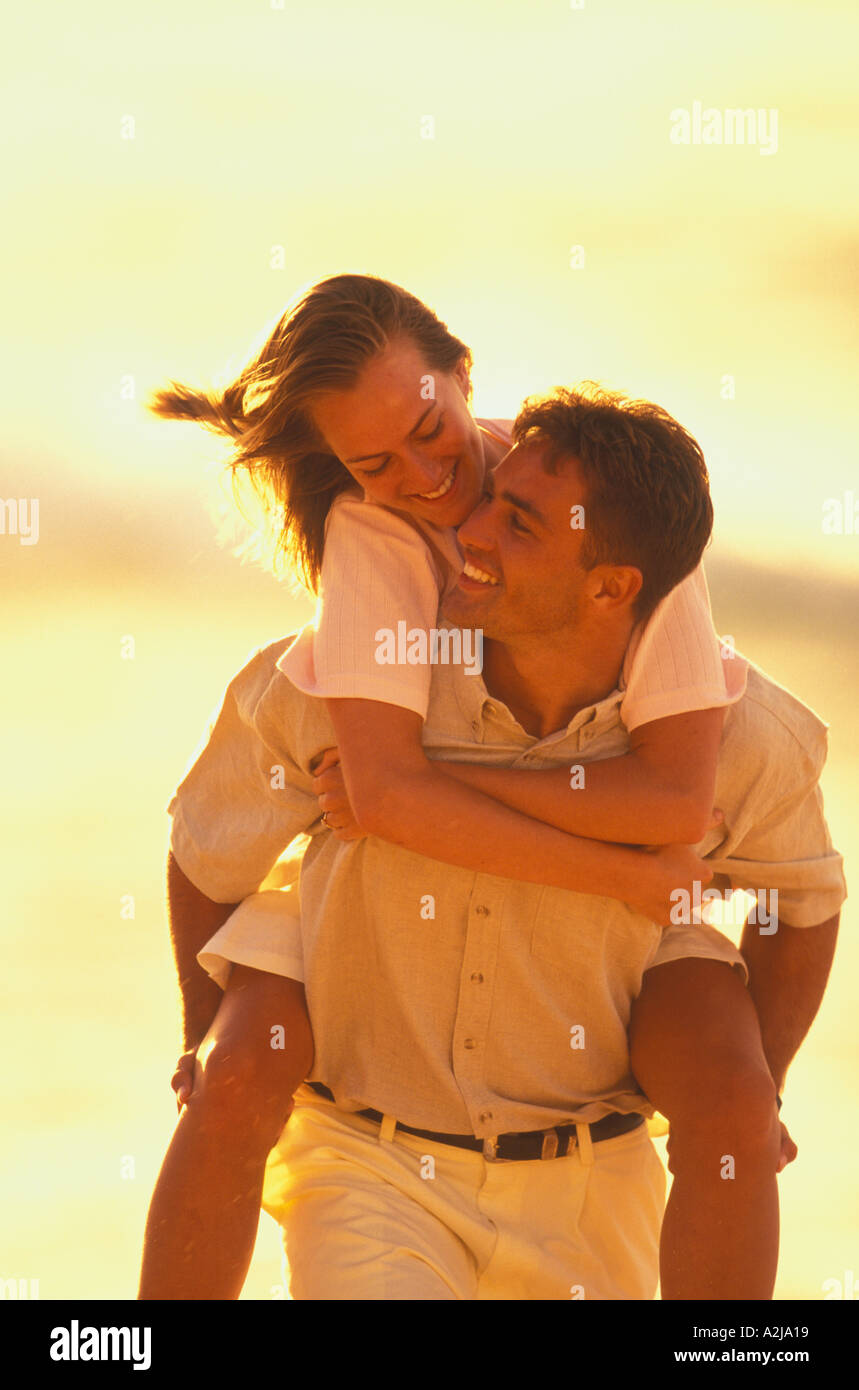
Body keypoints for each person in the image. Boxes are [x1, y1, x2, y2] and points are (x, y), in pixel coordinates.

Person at [138, 280, 841, 1299]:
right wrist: (199, 1033)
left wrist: (755, 1088)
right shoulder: (364, 597)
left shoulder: (660, 591)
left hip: (589, 1159)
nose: (438, 492)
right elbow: (222, 836)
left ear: (463, 376)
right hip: (374, 1142)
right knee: (240, 1058)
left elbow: (719, 836)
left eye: (432, 434)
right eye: (375, 464)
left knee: (730, 1092)